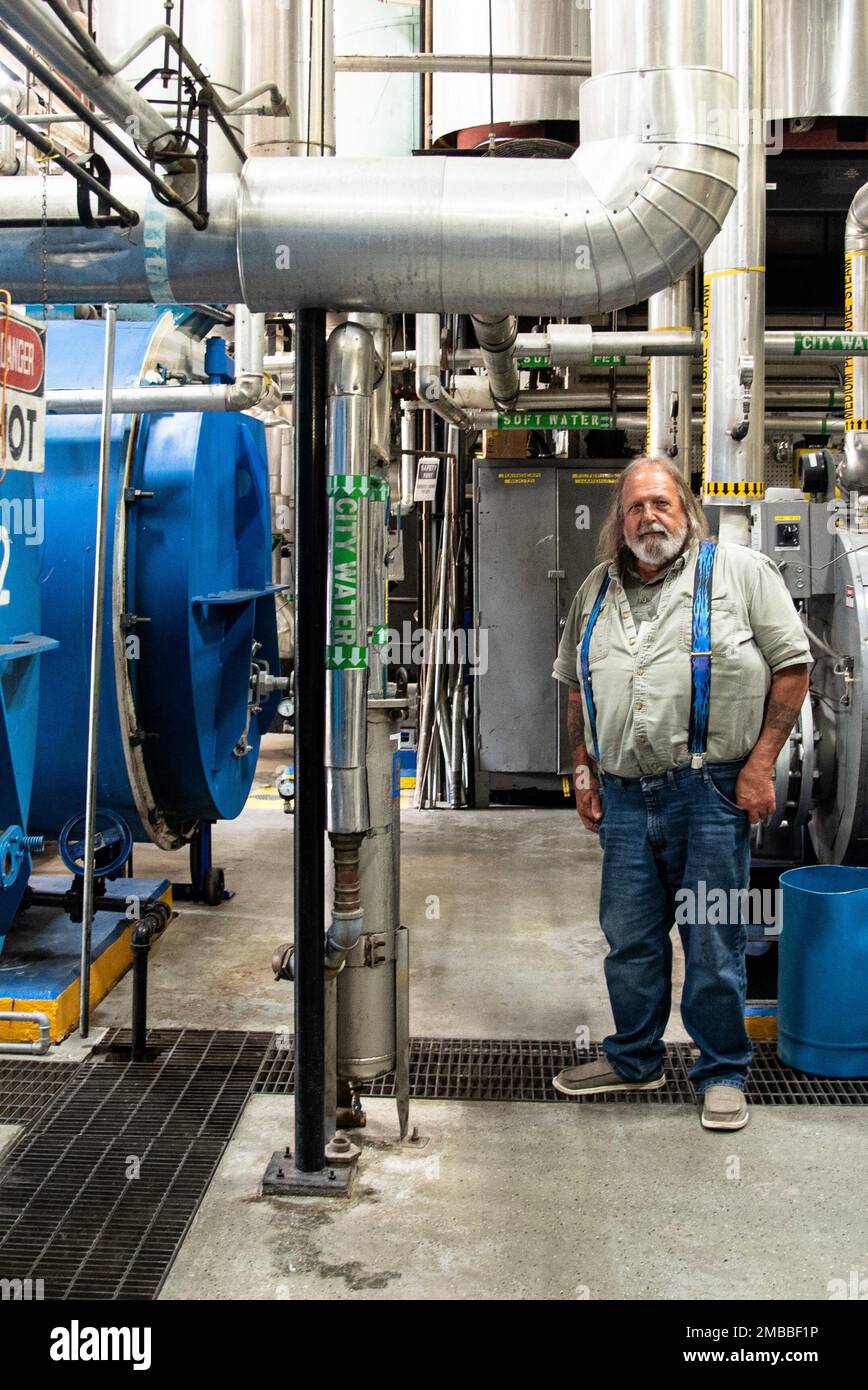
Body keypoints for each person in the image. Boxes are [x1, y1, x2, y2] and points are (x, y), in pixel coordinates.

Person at [551, 457, 812, 1130]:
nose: (649, 518)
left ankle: (722, 1071)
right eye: (635, 507)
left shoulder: (741, 573)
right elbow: (577, 686)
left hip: (712, 793)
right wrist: (582, 769)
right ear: (620, 520)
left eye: (661, 504)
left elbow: (794, 666)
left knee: (711, 936)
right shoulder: (595, 591)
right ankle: (635, 1059)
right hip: (627, 798)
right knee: (630, 937)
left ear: (686, 511)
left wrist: (760, 765)